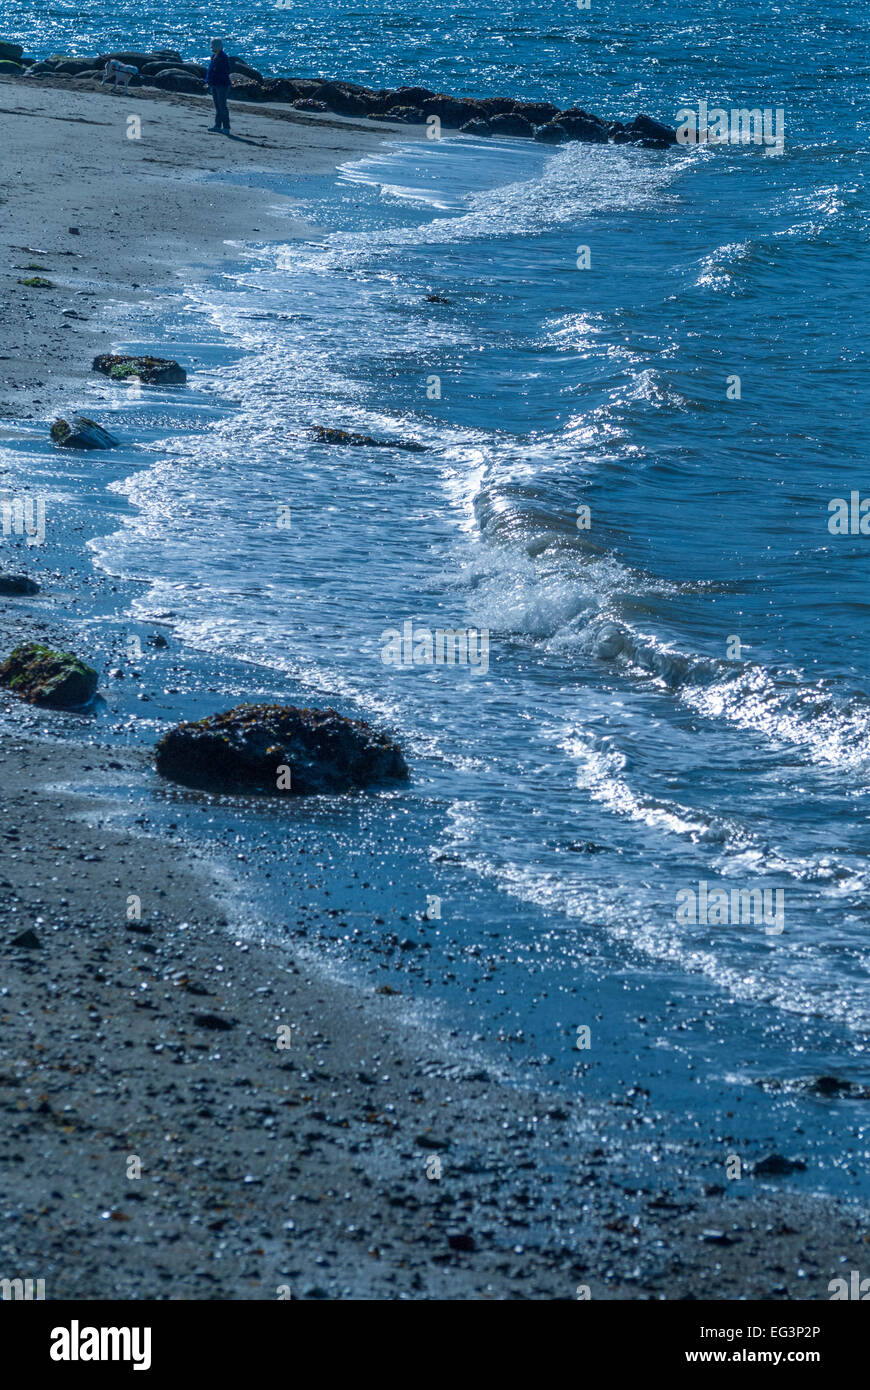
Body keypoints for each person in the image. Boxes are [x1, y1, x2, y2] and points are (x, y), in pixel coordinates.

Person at [205, 38, 231, 133]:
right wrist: (208, 81)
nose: (211, 48)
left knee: (222, 106)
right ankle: (217, 125)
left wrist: (213, 79)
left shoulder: (223, 57)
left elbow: (224, 71)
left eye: (213, 46)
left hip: (222, 85)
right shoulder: (214, 56)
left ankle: (226, 127)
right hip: (214, 84)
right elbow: (210, 71)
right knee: (218, 106)